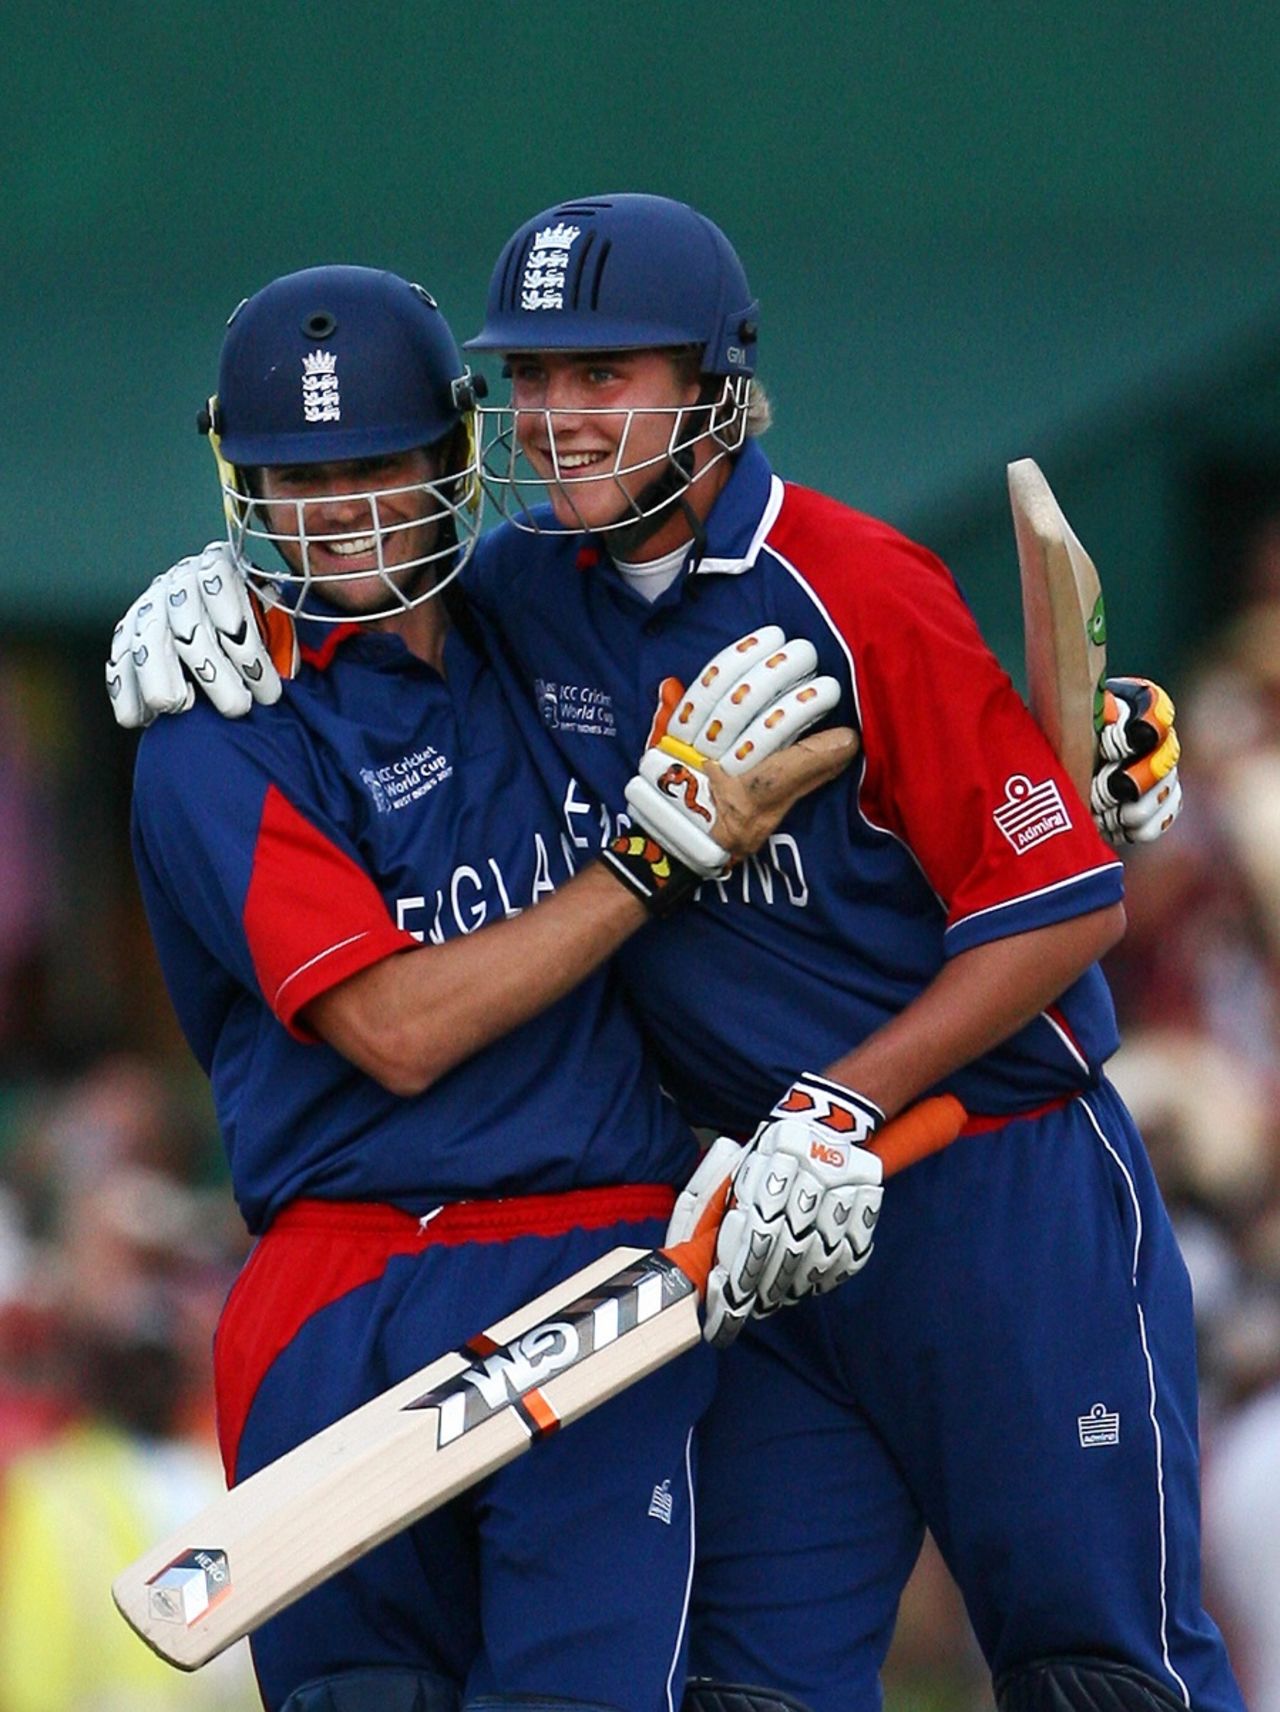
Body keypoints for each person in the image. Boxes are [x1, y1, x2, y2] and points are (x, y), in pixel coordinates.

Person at [105, 201, 1222, 1712]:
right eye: (537, 379)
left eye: (605, 373)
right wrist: (199, 584)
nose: (562, 419)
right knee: (744, 1696)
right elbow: (366, 583)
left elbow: (1065, 902)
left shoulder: (853, 579)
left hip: (988, 1175)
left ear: (718, 382)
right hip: (736, 1226)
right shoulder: (515, 588)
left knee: (1098, 1675)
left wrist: (835, 1101)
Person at [120, 262, 852, 1712]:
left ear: (459, 450)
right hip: (333, 1282)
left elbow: (830, 662)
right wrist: (642, 865)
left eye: (375, 460)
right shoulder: (215, 729)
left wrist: (1073, 763)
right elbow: (392, 1029)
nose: (338, 505)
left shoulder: (550, 616)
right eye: (294, 472)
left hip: (591, 1262)